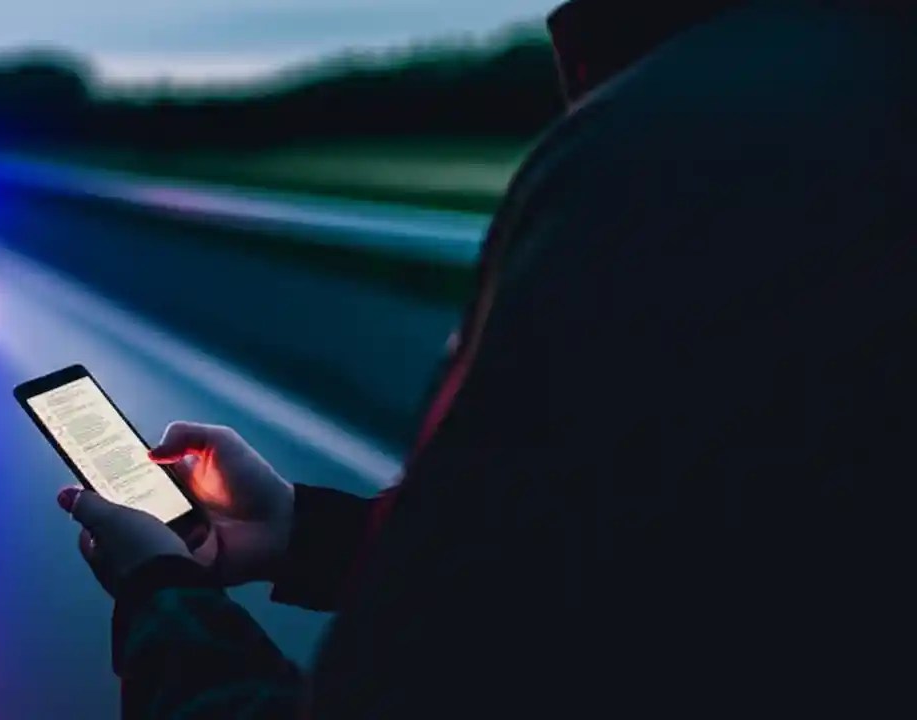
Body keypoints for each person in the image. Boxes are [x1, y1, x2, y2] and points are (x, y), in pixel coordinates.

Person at [58, 0, 917, 716]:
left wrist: (165, 599)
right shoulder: (842, 90)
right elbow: (629, 572)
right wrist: (304, 534)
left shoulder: (675, 150)